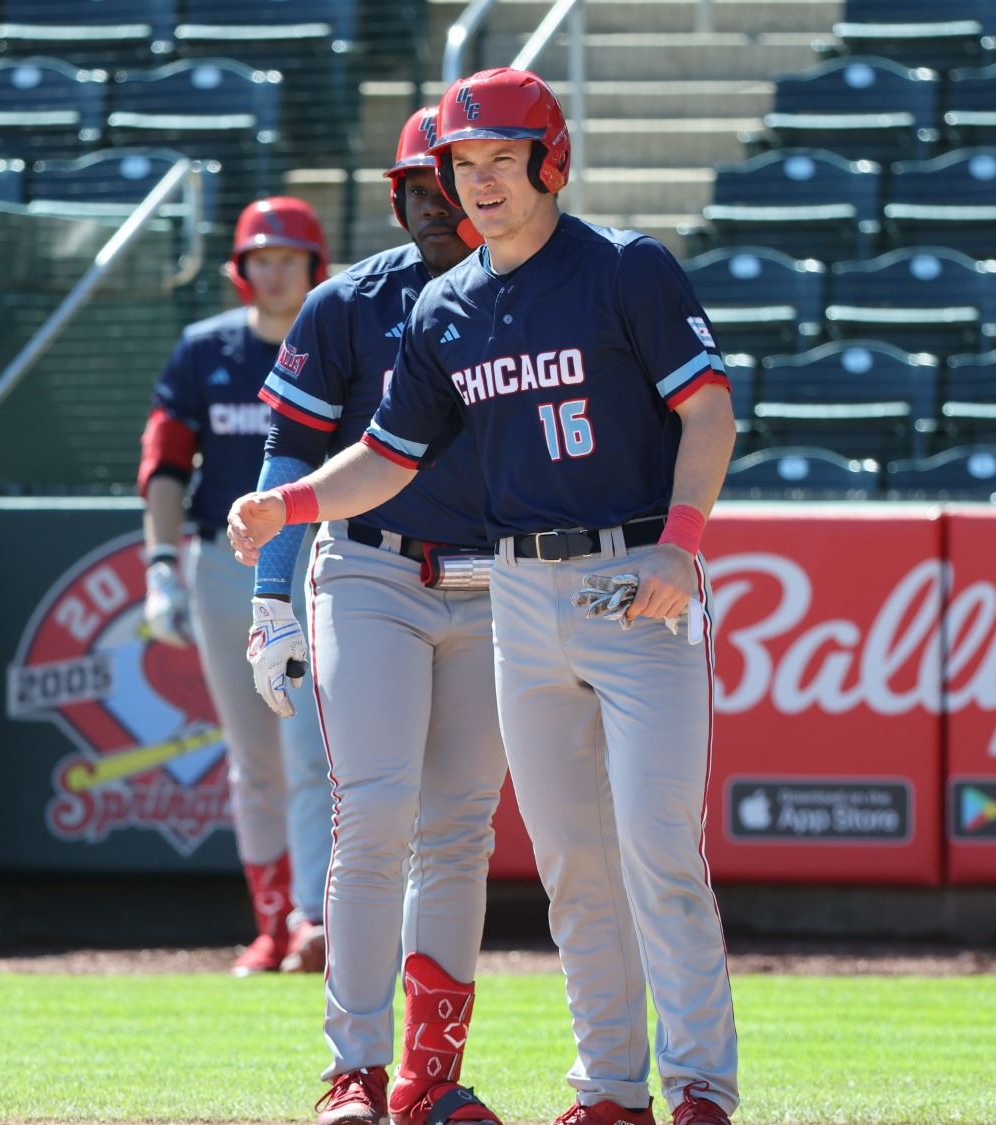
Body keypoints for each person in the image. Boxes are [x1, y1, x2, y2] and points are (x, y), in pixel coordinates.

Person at [230, 69, 740, 1125]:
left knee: (654, 840)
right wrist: (288, 507)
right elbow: (383, 456)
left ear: (549, 161)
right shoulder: (444, 306)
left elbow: (709, 412)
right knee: (568, 868)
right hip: (513, 587)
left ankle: (698, 1088)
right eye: (463, 164)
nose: (478, 182)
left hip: (632, 575)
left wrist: (680, 547)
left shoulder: (624, 268)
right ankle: (607, 1091)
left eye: (501, 159)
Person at [248, 108, 504, 1125]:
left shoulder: (550, 296)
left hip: (498, 582)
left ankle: (426, 1081)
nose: (437, 206)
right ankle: (350, 1070)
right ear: (394, 195)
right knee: (375, 814)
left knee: (457, 833)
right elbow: (285, 458)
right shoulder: (346, 303)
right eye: (417, 187)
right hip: (369, 571)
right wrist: (270, 596)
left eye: (456, 182)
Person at [139, 197, 336, 975]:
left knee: (311, 749)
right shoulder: (203, 350)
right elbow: (163, 464)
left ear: (314, 268)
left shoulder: (337, 338)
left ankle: (315, 917)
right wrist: (160, 566)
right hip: (224, 562)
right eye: (263, 257)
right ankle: (269, 919)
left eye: (289, 257)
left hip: (318, 556)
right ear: (240, 267)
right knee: (254, 755)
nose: (276, 270)